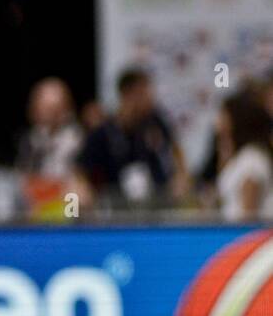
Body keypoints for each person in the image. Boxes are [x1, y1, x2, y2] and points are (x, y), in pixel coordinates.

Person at [75, 67, 187, 209]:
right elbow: (80, 170)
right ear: (128, 95)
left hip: (156, 204)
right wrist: (82, 188)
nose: (150, 99)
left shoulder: (156, 122)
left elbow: (176, 151)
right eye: (144, 93)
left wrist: (180, 177)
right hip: (116, 206)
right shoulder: (103, 133)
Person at [214, 91, 273, 221]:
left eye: (223, 115)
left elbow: (249, 214)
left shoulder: (252, 158)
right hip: (231, 233)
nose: (217, 120)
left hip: (244, 236)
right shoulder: (238, 157)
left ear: (235, 120)